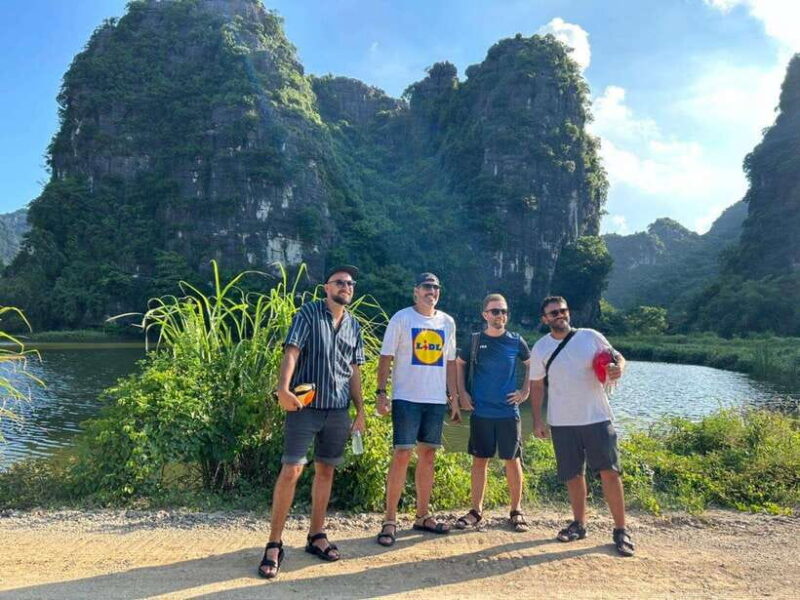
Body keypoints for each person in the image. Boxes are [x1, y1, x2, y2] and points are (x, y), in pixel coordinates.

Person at [258, 265, 367, 579]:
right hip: (304, 407)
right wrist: (282, 389)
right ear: (326, 287)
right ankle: (274, 544)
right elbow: (291, 351)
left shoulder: (354, 325)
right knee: (291, 469)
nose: (345, 286)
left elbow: (354, 371)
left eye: (350, 283)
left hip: (337, 410)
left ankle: (316, 535)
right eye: (339, 282)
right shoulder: (308, 314)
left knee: (326, 470)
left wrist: (360, 410)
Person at [530, 295, 635, 557]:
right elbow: (536, 386)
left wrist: (618, 369)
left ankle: (621, 529)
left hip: (597, 417)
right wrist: (538, 420)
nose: (559, 315)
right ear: (545, 319)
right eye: (553, 313)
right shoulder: (541, 348)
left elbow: (617, 358)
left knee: (610, 472)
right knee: (573, 475)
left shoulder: (590, 336)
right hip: (563, 421)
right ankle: (579, 524)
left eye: (563, 311)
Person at [375, 272, 461, 547]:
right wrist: (381, 393)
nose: (431, 292)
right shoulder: (401, 318)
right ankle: (389, 520)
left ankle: (422, 515)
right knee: (401, 454)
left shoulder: (447, 322)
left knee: (428, 455)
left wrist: (454, 396)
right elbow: (386, 357)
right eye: (426, 287)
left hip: (435, 400)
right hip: (406, 398)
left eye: (435, 288)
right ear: (416, 291)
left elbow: (449, 362)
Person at [455, 293, 531, 532]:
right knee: (479, 461)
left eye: (504, 311)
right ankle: (476, 511)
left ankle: (516, 510)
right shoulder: (475, 340)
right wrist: (462, 394)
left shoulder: (516, 340)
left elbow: (531, 364)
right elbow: (459, 364)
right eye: (495, 311)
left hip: (508, 412)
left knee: (512, 460)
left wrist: (524, 390)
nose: (500, 315)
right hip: (481, 411)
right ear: (485, 315)